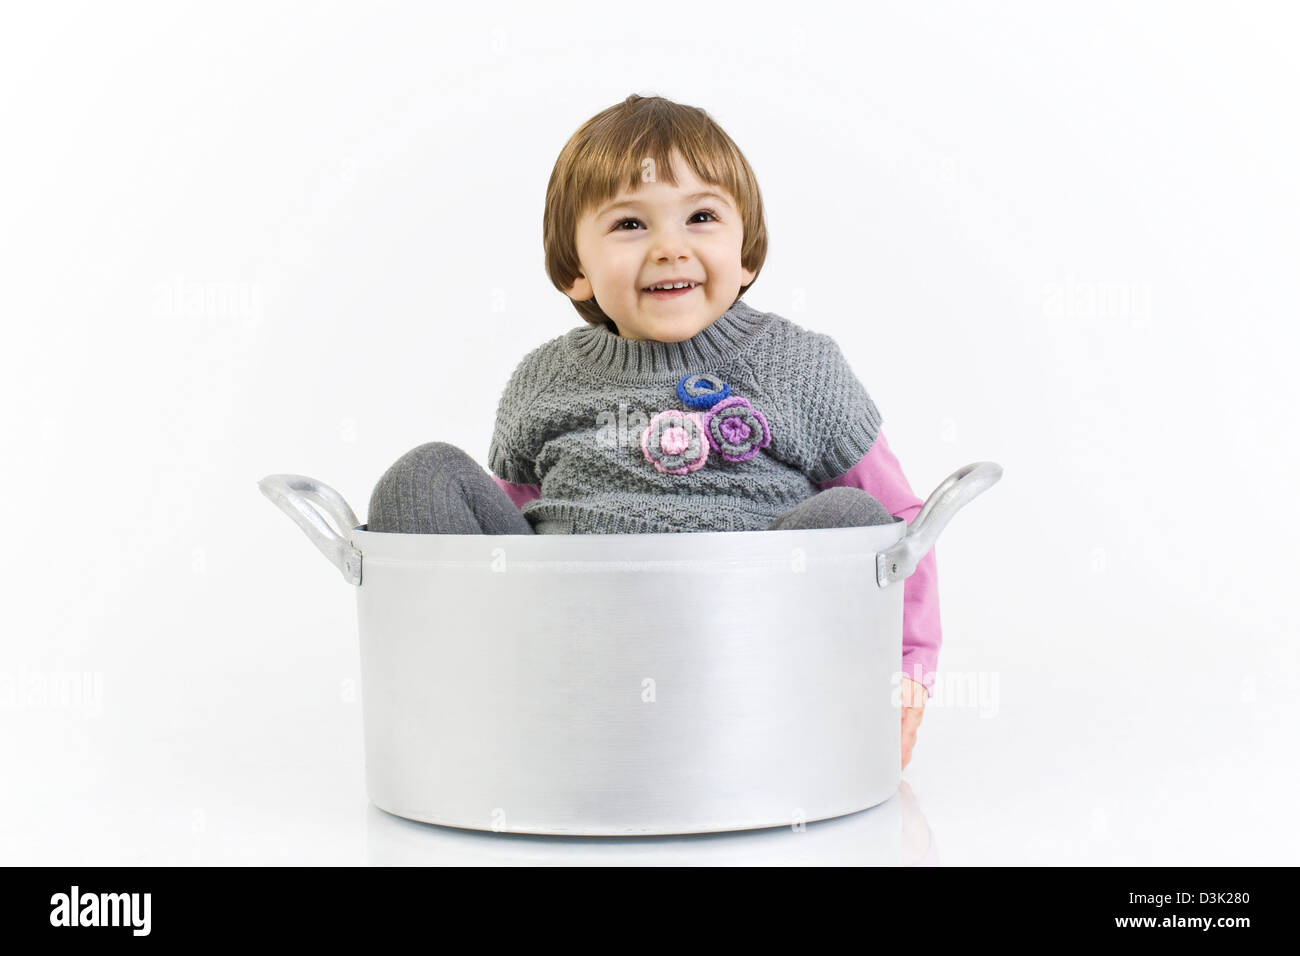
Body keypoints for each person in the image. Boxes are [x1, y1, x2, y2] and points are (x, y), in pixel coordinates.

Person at [368, 94, 939, 769]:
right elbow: (503, 548)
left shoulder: (802, 367)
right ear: (574, 268)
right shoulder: (543, 380)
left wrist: (906, 671)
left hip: (750, 657)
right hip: (563, 648)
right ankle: (464, 724)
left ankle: (797, 731)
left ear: (747, 252)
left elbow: (906, 524)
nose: (671, 248)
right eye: (631, 224)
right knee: (423, 476)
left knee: (855, 516)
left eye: (701, 217)